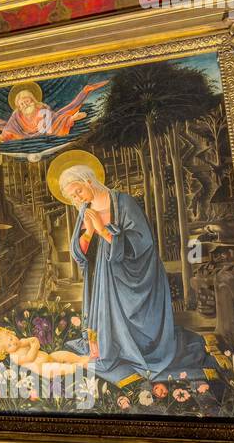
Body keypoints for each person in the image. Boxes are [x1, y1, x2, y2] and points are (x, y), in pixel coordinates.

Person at [56, 154, 210, 383]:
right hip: (102, 277)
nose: (77, 198)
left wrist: (104, 230)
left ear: (88, 181)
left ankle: (136, 349)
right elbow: (79, 253)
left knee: (136, 326)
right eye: (72, 196)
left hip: (130, 274)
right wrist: (89, 232)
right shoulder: (84, 210)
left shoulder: (123, 202)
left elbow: (142, 242)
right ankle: (108, 349)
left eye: (77, 191)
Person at [0, 80, 107, 146]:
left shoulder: (42, 109)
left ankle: (71, 118)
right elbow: (9, 129)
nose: (25, 104)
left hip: (44, 132)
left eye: (27, 101)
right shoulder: (16, 115)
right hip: (25, 135)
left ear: (33, 100)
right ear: (18, 106)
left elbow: (51, 126)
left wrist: (67, 120)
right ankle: (71, 118)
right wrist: (1, 138)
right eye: (22, 104)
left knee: (59, 119)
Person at [0, 326, 96, 379]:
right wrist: (34, 346)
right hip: (43, 368)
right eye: (9, 345)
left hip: (48, 357)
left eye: (11, 338)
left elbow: (34, 340)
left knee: (63, 354)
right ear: (5, 351)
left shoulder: (21, 342)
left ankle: (81, 359)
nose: (13, 343)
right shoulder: (14, 357)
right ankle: (79, 366)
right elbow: (30, 358)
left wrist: (35, 343)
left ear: (11, 334)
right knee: (61, 367)